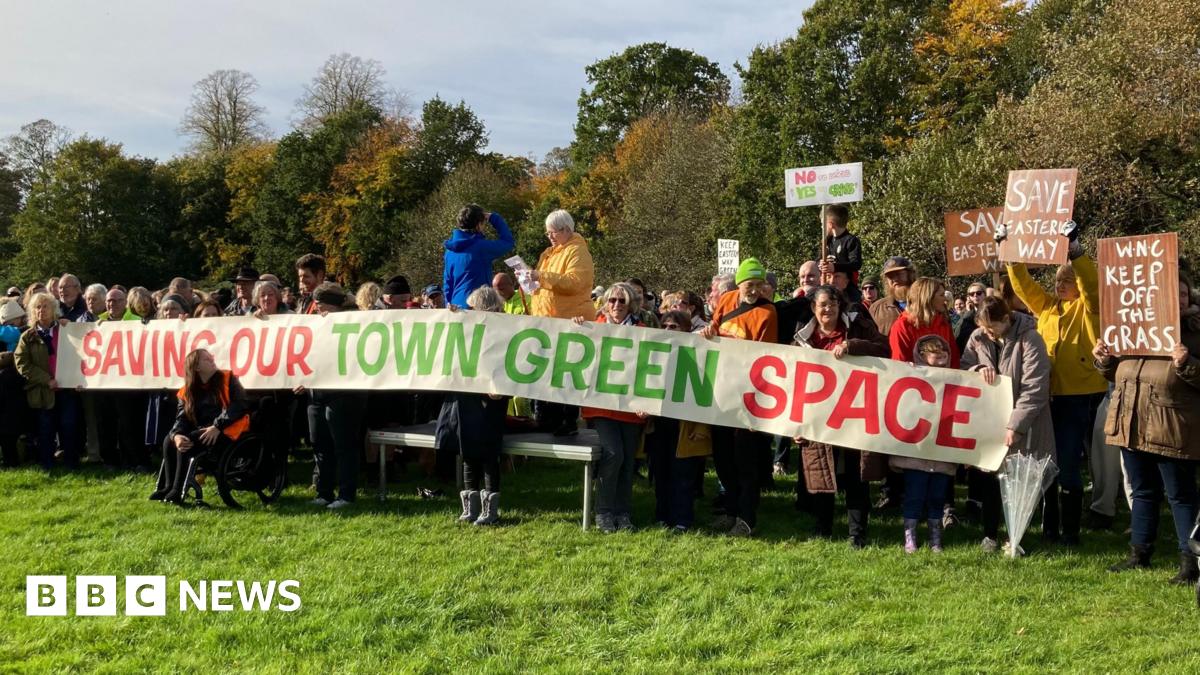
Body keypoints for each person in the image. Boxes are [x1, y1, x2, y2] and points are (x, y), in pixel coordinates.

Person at [999, 221, 1105, 546]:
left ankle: (1070, 533)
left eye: (1068, 280)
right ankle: (1049, 529)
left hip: (1077, 396)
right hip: (1047, 398)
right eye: (1059, 280)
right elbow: (1024, 288)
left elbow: (1091, 285)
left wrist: (1076, 253)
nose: (1062, 285)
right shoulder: (1046, 308)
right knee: (1045, 463)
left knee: (1069, 464)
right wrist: (1010, 254)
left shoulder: (1089, 309)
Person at [1095, 273, 1200, 583]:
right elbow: (1119, 373)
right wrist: (1104, 361)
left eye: (1184, 294)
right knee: (1143, 492)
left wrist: (1188, 362)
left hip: (1173, 429)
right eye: (1174, 293)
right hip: (1132, 425)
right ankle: (1139, 553)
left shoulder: (1194, 334)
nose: (1179, 299)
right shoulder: (1134, 331)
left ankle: (1190, 563)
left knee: (1180, 495)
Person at [792, 285, 889, 547]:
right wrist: (796, 425)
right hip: (818, 415)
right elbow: (793, 384)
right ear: (813, 307)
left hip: (855, 411)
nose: (829, 308)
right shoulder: (801, 340)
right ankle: (822, 527)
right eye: (823, 304)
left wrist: (853, 346)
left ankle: (857, 533)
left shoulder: (858, 327)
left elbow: (885, 349)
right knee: (823, 471)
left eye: (834, 303)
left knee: (857, 473)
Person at [961, 296, 1055, 553]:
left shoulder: (1031, 339)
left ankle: (1017, 536)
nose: (988, 334)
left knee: (1020, 480)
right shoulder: (978, 338)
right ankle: (989, 533)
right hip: (990, 419)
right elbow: (964, 366)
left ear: (1006, 319)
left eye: (993, 328)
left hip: (1027, 424)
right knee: (990, 476)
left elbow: (1035, 388)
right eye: (984, 328)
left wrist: (1016, 425)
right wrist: (978, 368)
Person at [702, 258, 778, 537]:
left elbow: (764, 360)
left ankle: (746, 519)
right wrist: (709, 330)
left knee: (745, 462)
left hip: (746, 397)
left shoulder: (767, 313)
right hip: (720, 392)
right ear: (739, 283)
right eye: (750, 284)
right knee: (722, 458)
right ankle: (730, 512)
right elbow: (715, 327)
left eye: (759, 285)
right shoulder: (727, 300)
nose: (754, 290)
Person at [577, 282, 649, 532]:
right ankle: (604, 512)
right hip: (601, 408)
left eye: (622, 301)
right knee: (613, 455)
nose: (616, 305)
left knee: (628, 462)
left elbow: (649, 371)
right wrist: (577, 329)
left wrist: (646, 402)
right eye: (612, 300)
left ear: (631, 305)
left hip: (630, 410)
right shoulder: (592, 328)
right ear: (605, 303)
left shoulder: (642, 331)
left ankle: (623, 512)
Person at [437, 286, 511, 526]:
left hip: (491, 398)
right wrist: (453, 315)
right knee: (468, 452)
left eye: (472, 308)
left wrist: (501, 388)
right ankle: (471, 506)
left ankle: (490, 509)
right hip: (467, 396)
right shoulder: (468, 327)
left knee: (489, 454)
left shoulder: (506, 329)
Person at [149, 349, 250, 505]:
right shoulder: (187, 391)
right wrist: (176, 435)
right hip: (204, 430)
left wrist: (217, 426)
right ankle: (167, 487)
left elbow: (240, 405)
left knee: (189, 441)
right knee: (169, 440)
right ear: (196, 368)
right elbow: (182, 418)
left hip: (230, 429)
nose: (212, 358)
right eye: (206, 358)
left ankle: (177, 490)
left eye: (211, 356)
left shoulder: (228, 379)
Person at [300, 282, 366, 509]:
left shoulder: (357, 324)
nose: (318, 311)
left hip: (345, 394)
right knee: (320, 445)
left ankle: (346, 495)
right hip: (316, 394)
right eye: (317, 307)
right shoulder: (313, 326)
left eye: (322, 306)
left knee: (344, 446)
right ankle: (324, 492)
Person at [530, 209, 595, 436]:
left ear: (567, 230)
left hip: (569, 321)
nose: (549, 237)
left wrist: (541, 277)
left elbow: (574, 283)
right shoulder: (548, 253)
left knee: (566, 374)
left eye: (553, 232)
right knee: (548, 374)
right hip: (547, 322)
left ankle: (567, 421)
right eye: (547, 233)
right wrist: (528, 279)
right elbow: (543, 284)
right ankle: (547, 419)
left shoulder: (578, 252)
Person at [645, 309, 711, 533]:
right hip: (659, 425)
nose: (667, 330)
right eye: (664, 326)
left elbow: (706, 394)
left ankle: (683, 519)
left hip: (685, 427)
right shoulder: (655, 355)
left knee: (682, 476)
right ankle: (662, 516)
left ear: (685, 329)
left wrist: (701, 427)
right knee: (661, 473)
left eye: (673, 327)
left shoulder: (699, 356)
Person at [892, 336, 960, 552]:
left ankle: (935, 537)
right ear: (921, 356)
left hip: (942, 455)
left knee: (938, 496)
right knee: (914, 495)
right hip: (916, 455)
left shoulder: (957, 380)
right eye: (934, 352)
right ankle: (910, 536)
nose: (941, 355)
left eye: (944, 352)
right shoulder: (910, 376)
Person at [15, 292, 80, 470]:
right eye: (37, 307)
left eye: (45, 306)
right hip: (43, 391)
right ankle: (47, 464)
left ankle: (71, 463)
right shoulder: (27, 337)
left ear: (54, 310)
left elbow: (82, 353)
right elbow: (22, 364)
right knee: (46, 428)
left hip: (67, 389)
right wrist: (46, 380)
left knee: (69, 426)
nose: (41, 310)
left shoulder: (66, 329)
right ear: (32, 312)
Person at [443, 204, 515, 308]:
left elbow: (447, 283)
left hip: (456, 307)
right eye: (483, 223)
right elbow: (508, 242)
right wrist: (493, 218)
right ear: (478, 225)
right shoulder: (481, 247)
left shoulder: (449, 252)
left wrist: (448, 305)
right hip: (478, 306)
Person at [889, 277, 960, 367]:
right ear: (928, 298)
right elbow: (899, 366)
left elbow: (954, 359)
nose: (945, 299)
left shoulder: (943, 323)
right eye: (941, 295)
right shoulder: (902, 326)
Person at [819, 204, 862, 299]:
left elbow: (856, 263)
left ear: (830, 224)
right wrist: (820, 264)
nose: (822, 228)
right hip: (827, 286)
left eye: (822, 224)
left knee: (853, 305)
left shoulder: (851, 240)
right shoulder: (826, 242)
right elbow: (818, 260)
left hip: (848, 289)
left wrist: (834, 267)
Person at [870, 256, 916, 337]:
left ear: (910, 274)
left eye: (899, 274)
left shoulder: (926, 302)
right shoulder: (876, 308)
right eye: (890, 276)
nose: (895, 279)